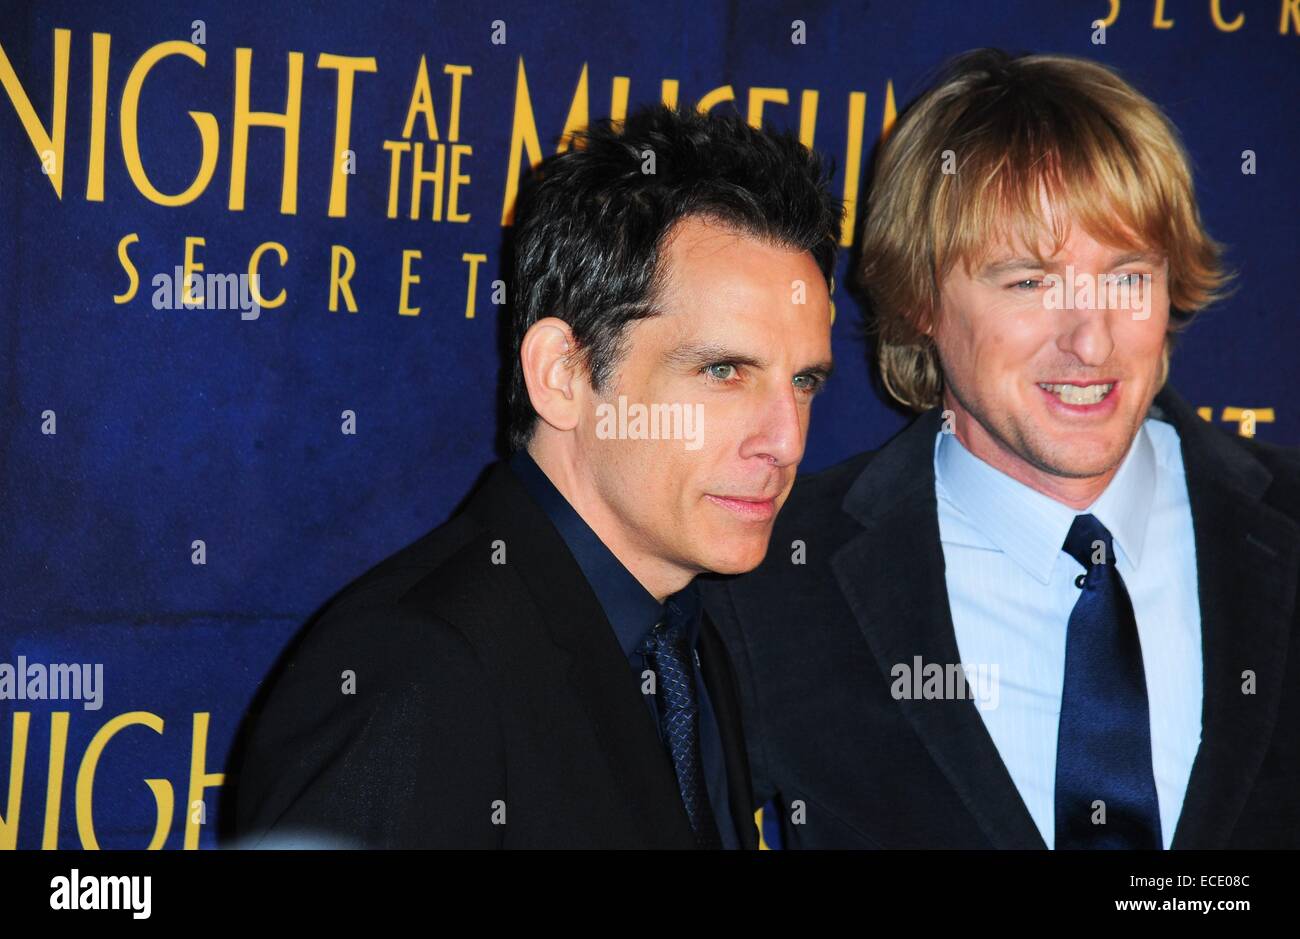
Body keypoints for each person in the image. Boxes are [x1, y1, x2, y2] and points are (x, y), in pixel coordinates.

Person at [703, 49, 1300, 849]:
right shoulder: (775, 585)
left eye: (1126, 277)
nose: (1090, 342)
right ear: (918, 300)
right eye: (1028, 282)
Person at [232, 103, 840, 848]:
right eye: (723, 370)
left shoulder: (686, 638)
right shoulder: (413, 673)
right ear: (562, 374)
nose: (785, 440)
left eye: (805, 382)